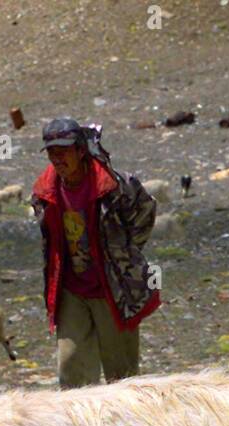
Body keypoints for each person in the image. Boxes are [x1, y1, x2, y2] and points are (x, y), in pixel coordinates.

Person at [31, 117, 162, 388]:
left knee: (121, 376)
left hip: (112, 289)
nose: (57, 159)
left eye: (63, 151)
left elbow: (145, 212)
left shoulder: (114, 186)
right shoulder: (45, 192)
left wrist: (124, 252)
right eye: (52, 152)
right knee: (71, 370)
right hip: (71, 290)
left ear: (80, 150)